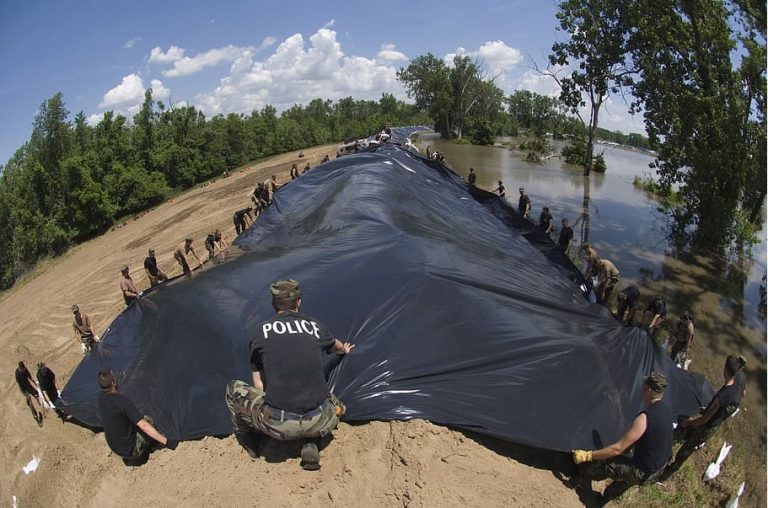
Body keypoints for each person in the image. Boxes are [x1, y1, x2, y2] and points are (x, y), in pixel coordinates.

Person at [225, 279, 354, 471]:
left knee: (232, 388)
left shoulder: (259, 333)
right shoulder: (314, 326)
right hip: (320, 420)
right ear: (299, 302)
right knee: (333, 401)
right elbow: (337, 347)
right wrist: (345, 350)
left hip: (279, 426)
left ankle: (249, 440)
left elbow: (258, 383)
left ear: (273, 304)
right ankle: (310, 441)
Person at [572, 372, 672, 504]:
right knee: (626, 475)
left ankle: (580, 474)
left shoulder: (645, 417)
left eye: (644, 386)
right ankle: (603, 500)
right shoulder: (664, 410)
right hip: (657, 470)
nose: (641, 388)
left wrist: (587, 456)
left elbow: (616, 449)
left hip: (643, 470)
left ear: (648, 390)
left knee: (607, 461)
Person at [660, 356, 746, 480]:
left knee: (683, 450)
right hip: (712, 427)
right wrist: (708, 410)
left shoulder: (723, 395)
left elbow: (704, 419)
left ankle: (664, 473)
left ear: (725, 369)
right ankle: (666, 466)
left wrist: (689, 422)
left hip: (703, 428)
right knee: (684, 446)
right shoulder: (736, 387)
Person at [96, 368, 177, 464]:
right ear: (113, 382)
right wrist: (167, 441)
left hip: (115, 447)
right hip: (130, 451)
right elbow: (144, 425)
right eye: (115, 376)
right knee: (148, 420)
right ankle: (151, 446)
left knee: (129, 420)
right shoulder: (123, 403)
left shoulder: (100, 398)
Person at [15, 361, 43, 427]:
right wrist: (25, 394)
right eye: (23, 369)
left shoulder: (25, 369)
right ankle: (35, 415)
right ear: (20, 368)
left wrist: (35, 383)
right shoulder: (17, 374)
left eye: (24, 369)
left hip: (28, 385)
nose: (24, 370)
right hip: (24, 389)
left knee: (37, 394)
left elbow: (29, 377)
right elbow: (19, 385)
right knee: (30, 402)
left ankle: (41, 405)